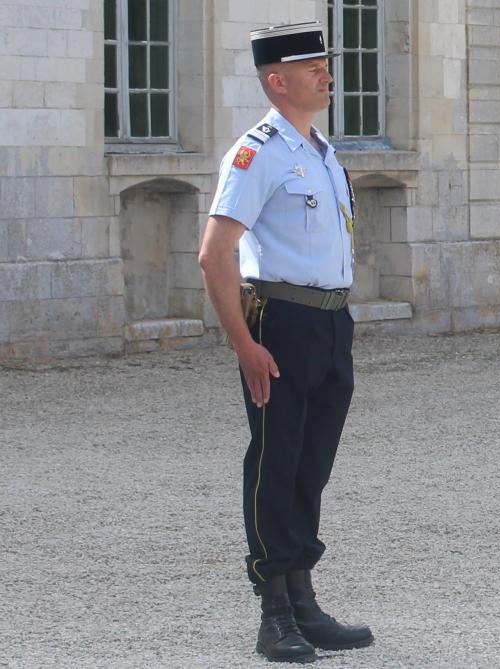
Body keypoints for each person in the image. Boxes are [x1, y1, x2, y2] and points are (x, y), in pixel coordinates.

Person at [197, 21, 373, 663]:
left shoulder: (321, 150)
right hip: (282, 322)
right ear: (277, 81)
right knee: (275, 462)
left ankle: (303, 597)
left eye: (325, 65)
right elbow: (215, 255)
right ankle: (274, 610)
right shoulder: (258, 152)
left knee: (311, 463)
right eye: (312, 67)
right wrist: (244, 343)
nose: (327, 74)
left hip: (331, 322)